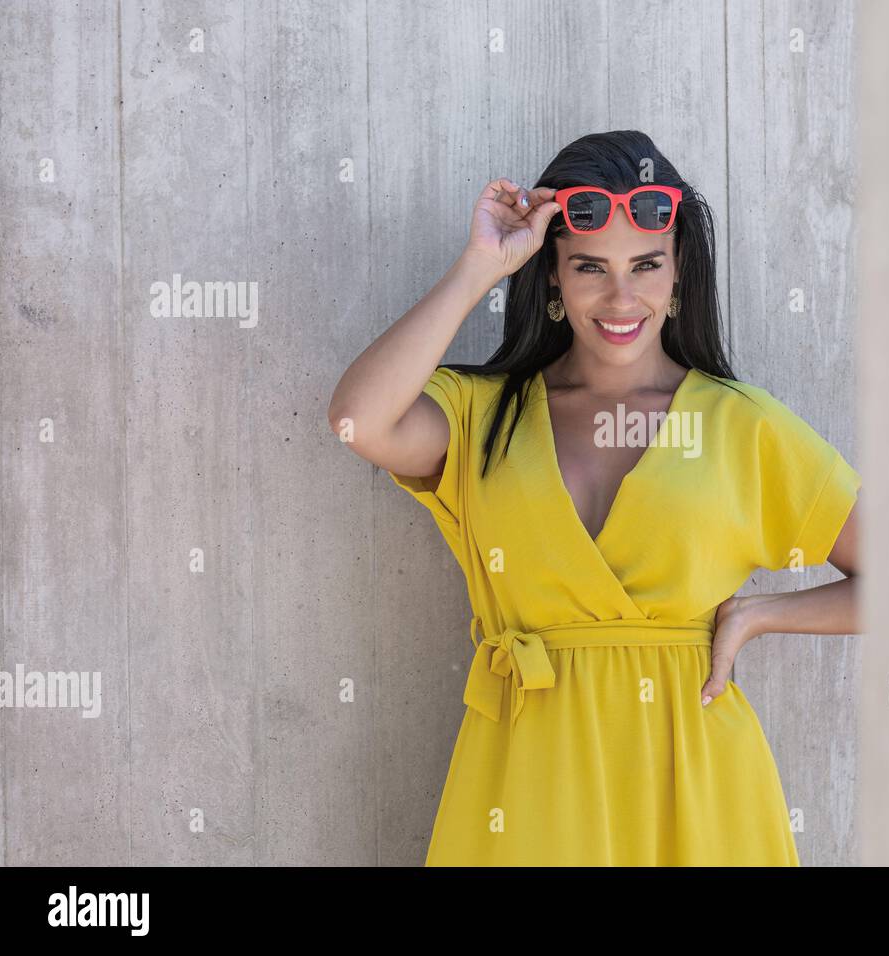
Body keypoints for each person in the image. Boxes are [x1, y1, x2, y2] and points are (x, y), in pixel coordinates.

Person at [328, 130, 861, 866]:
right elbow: (357, 419)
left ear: (678, 277)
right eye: (589, 268)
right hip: (523, 783)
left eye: (646, 265)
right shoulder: (483, 412)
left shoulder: (744, 425)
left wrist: (760, 615)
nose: (621, 297)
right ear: (551, 278)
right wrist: (481, 265)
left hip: (698, 788)